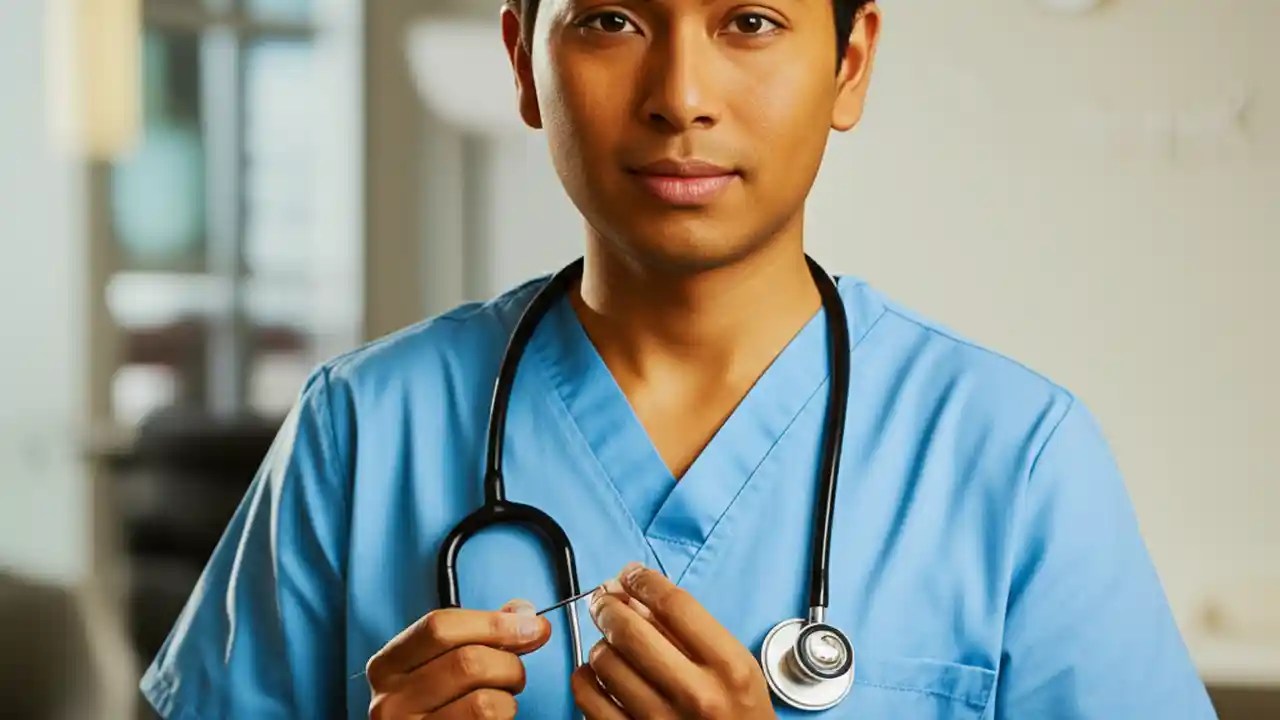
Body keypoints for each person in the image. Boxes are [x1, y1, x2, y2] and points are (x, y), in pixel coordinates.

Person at [141, 1, 1217, 718]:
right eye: (610, 18)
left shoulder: (1013, 460)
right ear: (523, 61)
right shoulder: (364, 429)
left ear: (849, 65)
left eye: (747, 20)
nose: (679, 95)